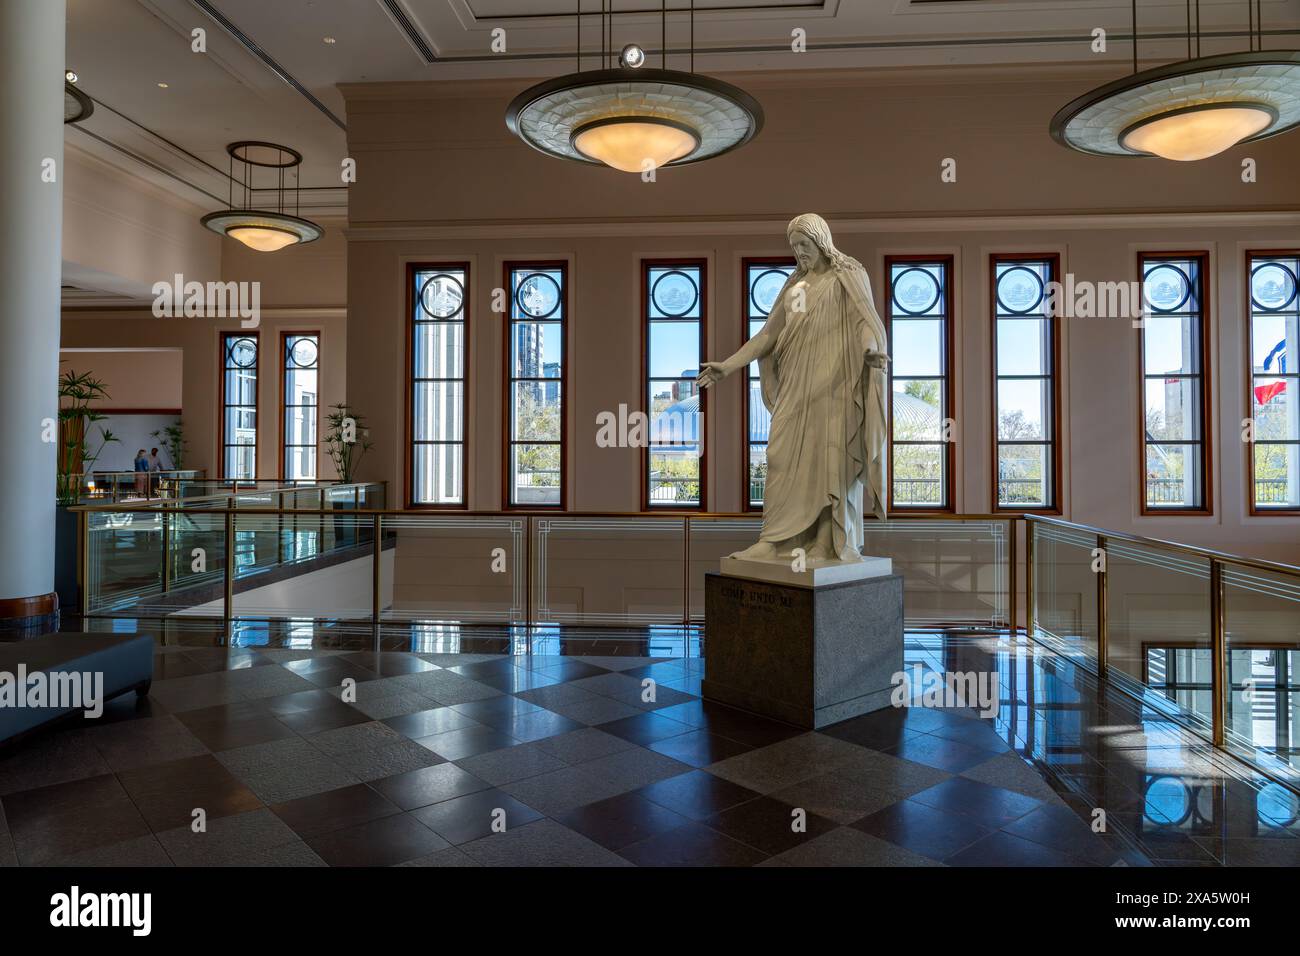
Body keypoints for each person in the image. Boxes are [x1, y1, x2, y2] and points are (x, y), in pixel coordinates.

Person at [697, 213, 889, 563]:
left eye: (805, 244)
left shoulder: (848, 274)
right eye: (794, 247)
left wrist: (871, 353)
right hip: (796, 387)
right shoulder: (795, 287)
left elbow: (865, 321)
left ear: (821, 241)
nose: (800, 252)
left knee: (830, 460)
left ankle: (824, 542)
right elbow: (768, 336)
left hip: (836, 387)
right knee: (780, 458)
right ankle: (772, 539)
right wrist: (728, 365)